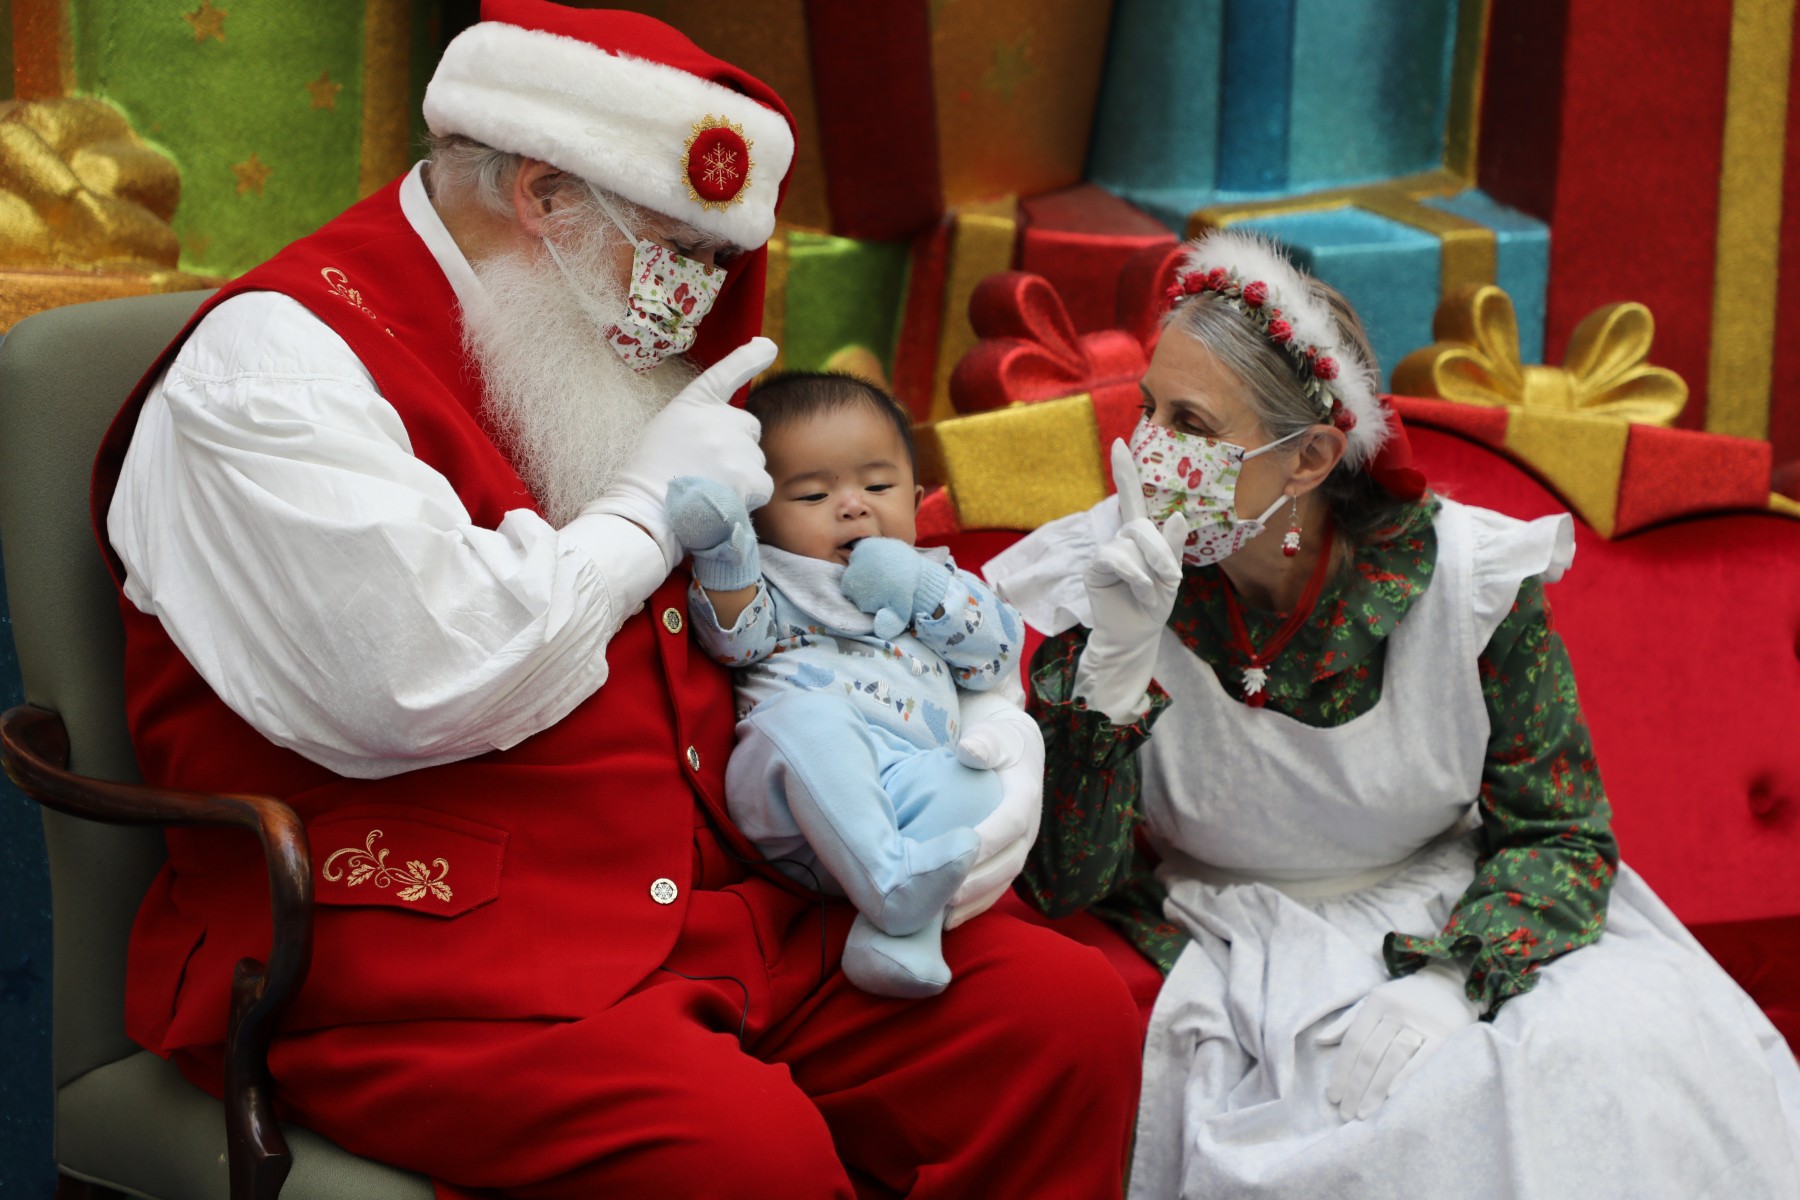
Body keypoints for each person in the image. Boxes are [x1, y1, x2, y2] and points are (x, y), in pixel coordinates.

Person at [91, 3, 1142, 1196]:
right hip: (422, 964)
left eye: (717, 263)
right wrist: (642, 514)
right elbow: (412, 680)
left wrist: (984, 725)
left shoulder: (586, 330)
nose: (695, 299)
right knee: (748, 1164)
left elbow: (787, 610)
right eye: (677, 250)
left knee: (1062, 1018)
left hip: (720, 899)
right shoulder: (272, 370)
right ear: (544, 194)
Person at [987, 229, 1800, 1198]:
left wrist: (1457, 977)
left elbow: (1563, 833)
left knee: (1588, 1071)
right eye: (1148, 409)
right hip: (1237, 936)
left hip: (1452, 911)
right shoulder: (1112, 574)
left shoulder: (1469, 582)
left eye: (1192, 423)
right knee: (1354, 1133)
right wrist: (1114, 667)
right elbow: (1066, 885)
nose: (1151, 449)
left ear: (1309, 458)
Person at [668, 373, 1029, 999]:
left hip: (906, 799)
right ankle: (892, 890)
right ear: (761, 517)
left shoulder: (942, 581)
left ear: (917, 499)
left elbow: (994, 658)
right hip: (798, 799)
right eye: (813, 495)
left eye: (879, 486)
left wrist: (919, 586)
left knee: (977, 781)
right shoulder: (779, 577)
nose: (853, 505)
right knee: (814, 718)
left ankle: (894, 939)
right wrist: (729, 558)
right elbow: (734, 643)